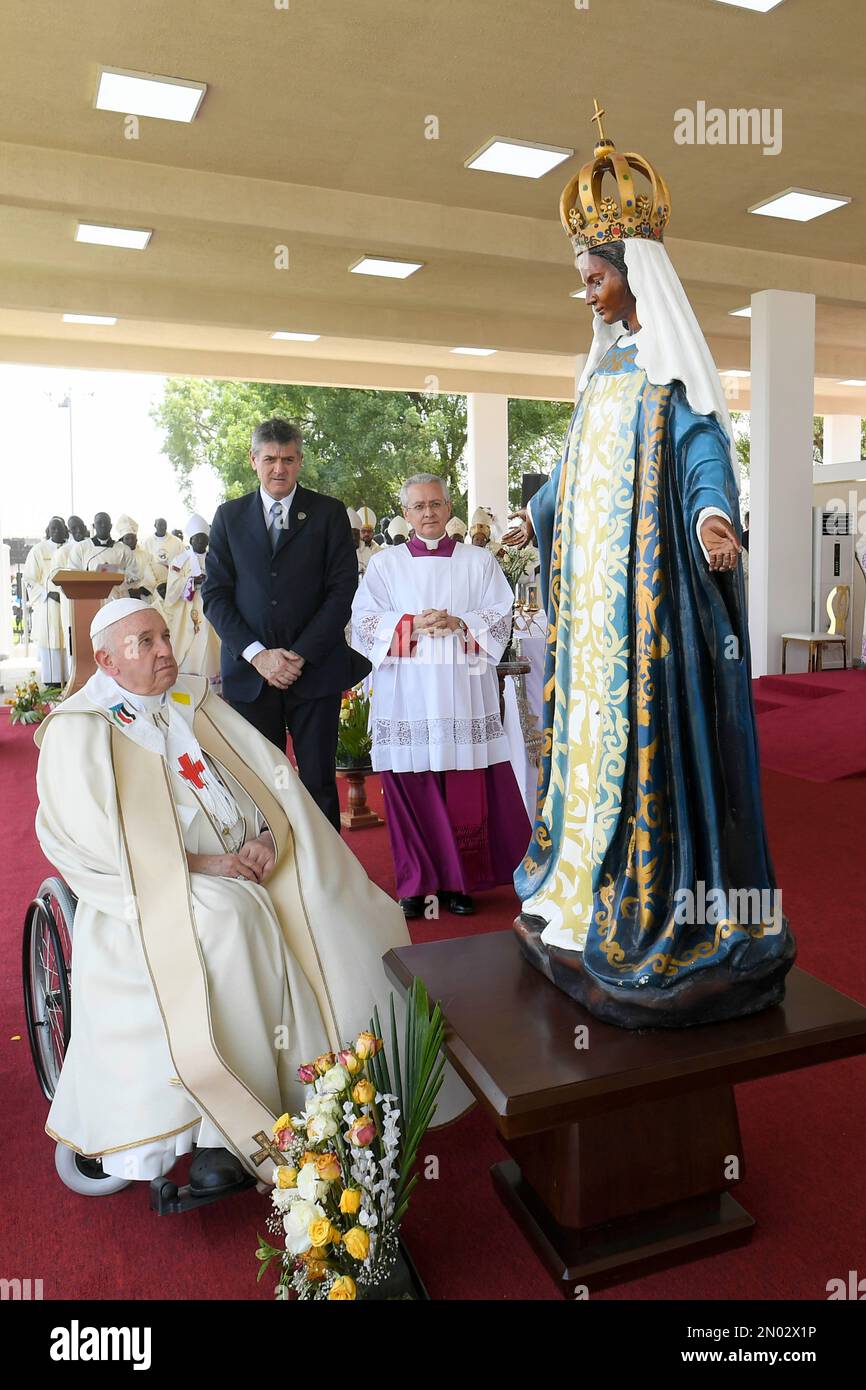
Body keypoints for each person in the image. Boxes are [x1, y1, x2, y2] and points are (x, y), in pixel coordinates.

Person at [504, 105, 795, 1028]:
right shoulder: (599, 379)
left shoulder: (669, 381)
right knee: (587, 749)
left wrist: (713, 516)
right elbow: (572, 478)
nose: (586, 293)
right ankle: (584, 890)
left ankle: (670, 900)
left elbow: (707, 453)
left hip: (650, 615)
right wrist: (535, 513)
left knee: (648, 756)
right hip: (594, 629)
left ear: (635, 279)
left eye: (595, 277)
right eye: (584, 279)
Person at [34, 599, 468, 1191]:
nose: (166, 650)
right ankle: (224, 1131)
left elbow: (274, 780)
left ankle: (335, 1086)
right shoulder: (78, 730)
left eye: (166, 635)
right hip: (157, 888)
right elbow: (87, 843)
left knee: (338, 903)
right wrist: (205, 866)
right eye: (146, 643)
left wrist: (268, 835)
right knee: (231, 919)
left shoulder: (195, 701)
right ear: (106, 661)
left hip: (246, 863)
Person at [352, 472, 530, 918]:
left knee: (463, 788)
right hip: (408, 693)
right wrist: (410, 623)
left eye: (435, 504)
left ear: (449, 509)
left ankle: (458, 884)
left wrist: (462, 623)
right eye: (418, 506)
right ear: (406, 514)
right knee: (410, 787)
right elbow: (363, 621)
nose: (428, 513)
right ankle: (416, 885)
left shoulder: (478, 561)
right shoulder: (385, 564)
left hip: (462, 688)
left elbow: (499, 613)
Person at [203, 418, 365, 831]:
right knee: (259, 782)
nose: (280, 468)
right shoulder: (228, 517)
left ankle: (325, 884)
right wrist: (259, 656)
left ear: (300, 461)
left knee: (317, 784)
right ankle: (271, 878)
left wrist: (298, 655)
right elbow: (216, 595)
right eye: (271, 459)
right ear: (253, 460)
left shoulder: (328, 514)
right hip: (251, 677)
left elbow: (341, 591)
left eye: (289, 459)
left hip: (315, 673)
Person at [160, 514, 221, 688]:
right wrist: (192, 581)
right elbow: (172, 587)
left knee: (210, 640)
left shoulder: (215, 559)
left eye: (204, 539)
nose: (200, 542)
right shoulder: (180, 561)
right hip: (188, 609)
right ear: (191, 539)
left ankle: (213, 681)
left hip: (211, 605)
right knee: (191, 641)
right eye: (197, 539)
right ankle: (189, 679)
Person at [23, 516, 69, 683]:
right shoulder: (38, 550)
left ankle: (71, 681)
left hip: (70, 603)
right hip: (49, 605)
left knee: (69, 641)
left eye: (59, 527)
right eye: (53, 528)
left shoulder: (73, 548)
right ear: (48, 530)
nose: (56, 531)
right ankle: (52, 683)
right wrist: (47, 593)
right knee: (51, 641)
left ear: (65, 529)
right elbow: (28, 578)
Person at [67, 512, 137, 599]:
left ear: (111, 526)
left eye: (106, 523)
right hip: (91, 597)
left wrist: (114, 572)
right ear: (94, 525)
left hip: (118, 597)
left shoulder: (124, 549)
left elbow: (134, 576)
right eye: (99, 523)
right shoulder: (81, 548)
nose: (103, 525)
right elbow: (74, 575)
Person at [115, 515, 157, 599]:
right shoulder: (116, 556)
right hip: (123, 596)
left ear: (136, 539)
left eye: (132, 538)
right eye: (127, 538)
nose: (130, 541)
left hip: (142, 596)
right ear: (122, 540)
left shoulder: (146, 556)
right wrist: (126, 589)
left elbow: (151, 577)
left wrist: (140, 590)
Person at [142, 517, 183, 588]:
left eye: (165, 525)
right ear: (155, 525)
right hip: (156, 582)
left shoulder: (176, 541)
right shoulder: (147, 542)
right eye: (160, 525)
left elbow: (183, 558)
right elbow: (145, 564)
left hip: (175, 581)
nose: (163, 527)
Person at [356, 505, 381, 572]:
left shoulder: (380, 551)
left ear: (373, 533)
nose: (366, 534)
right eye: (363, 531)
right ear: (359, 532)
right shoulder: (353, 551)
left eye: (369, 531)